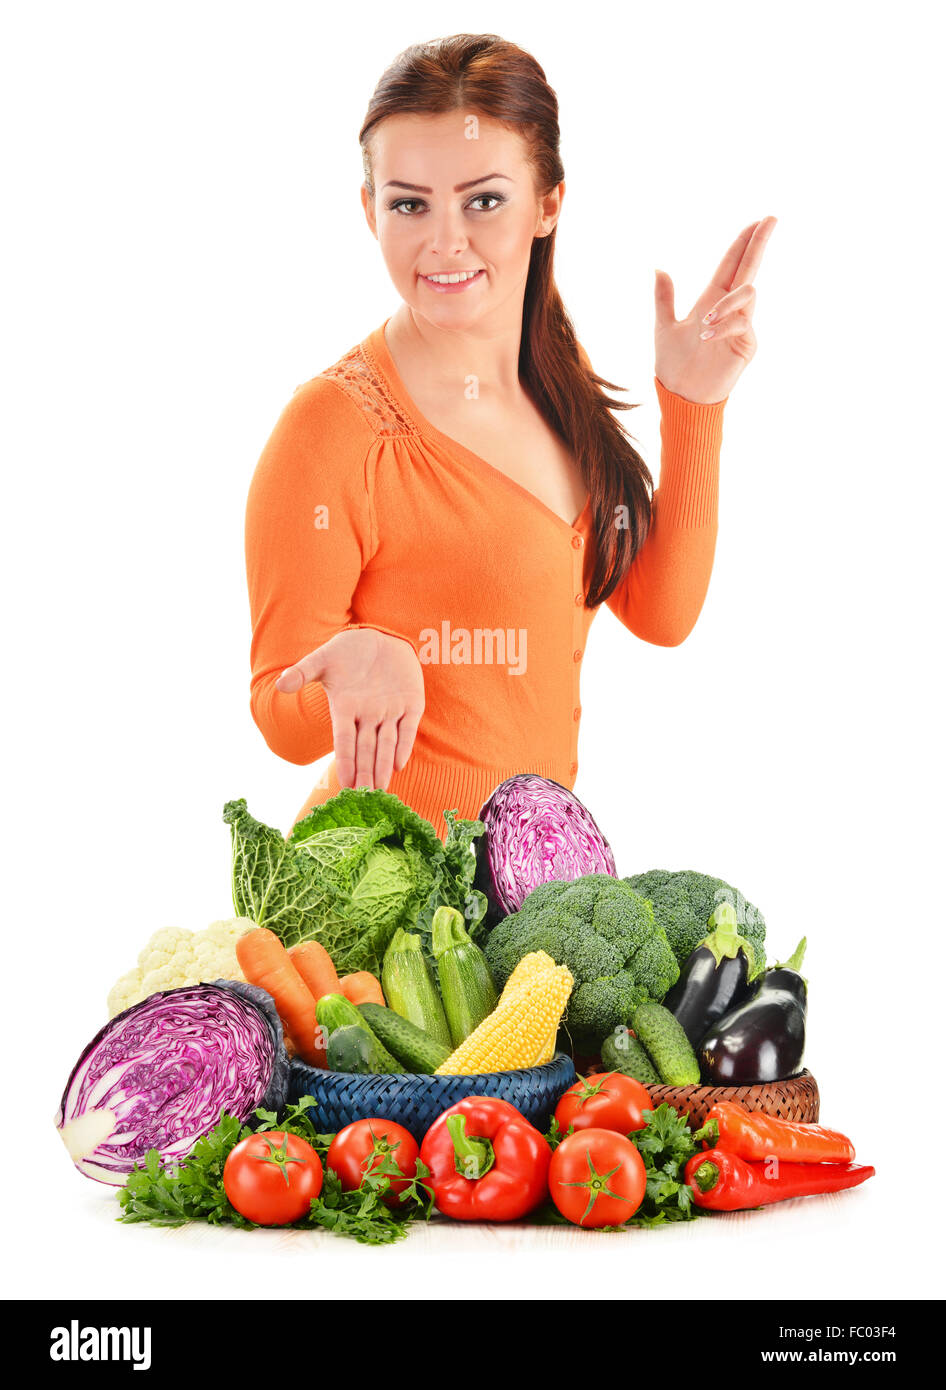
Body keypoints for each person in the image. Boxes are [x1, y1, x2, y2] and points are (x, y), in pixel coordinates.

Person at [244, 33, 776, 838]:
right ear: (369, 209)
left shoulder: (558, 380)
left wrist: (692, 407)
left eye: (483, 199)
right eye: (408, 202)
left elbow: (661, 614)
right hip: (379, 915)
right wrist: (361, 659)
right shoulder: (332, 429)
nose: (444, 240)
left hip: (528, 890)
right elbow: (277, 712)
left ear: (548, 204)